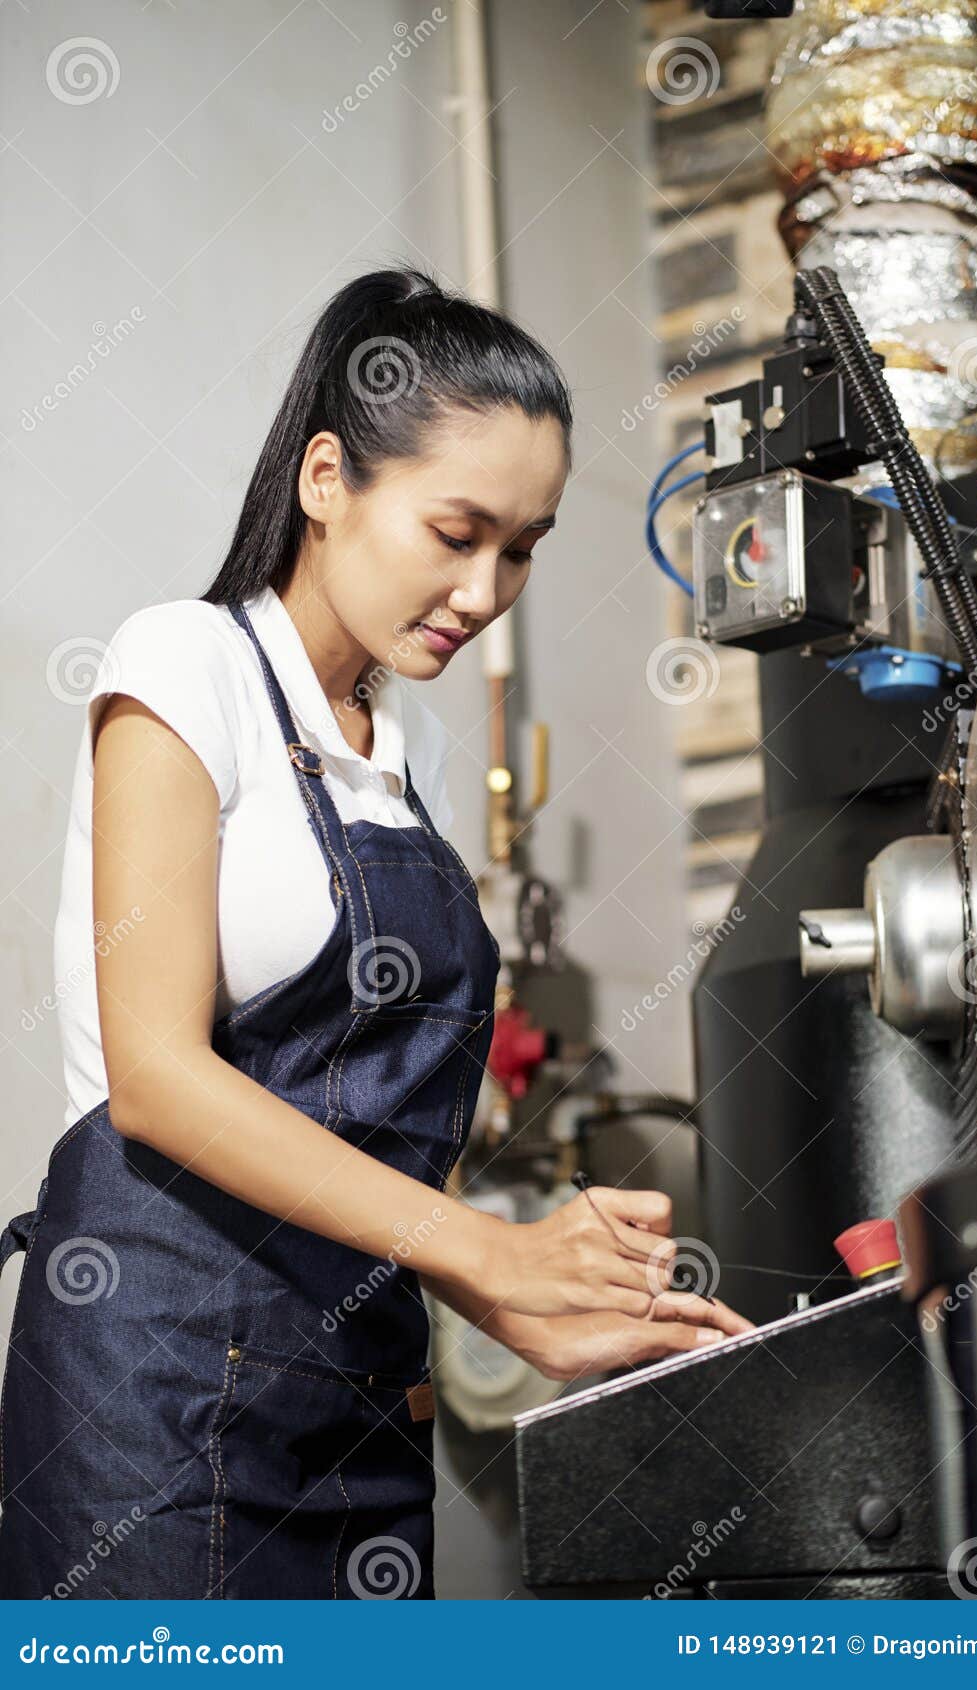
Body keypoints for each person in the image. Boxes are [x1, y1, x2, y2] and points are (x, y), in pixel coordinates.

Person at [0, 267, 752, 1601]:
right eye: (457, 528)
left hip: (348, 1412)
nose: (483, 588)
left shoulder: (390, 769)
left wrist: (529, 1274)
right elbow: (160, 1078)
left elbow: (346, 1139)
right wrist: (488, 1254)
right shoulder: (185, 664)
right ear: (328, 478)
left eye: (521, 547)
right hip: (158, 1412)